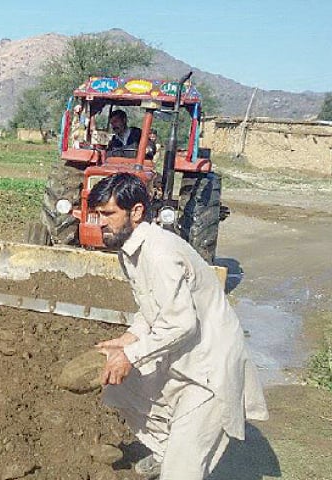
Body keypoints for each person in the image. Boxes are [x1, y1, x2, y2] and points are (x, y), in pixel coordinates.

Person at [88, 173, 268, 480]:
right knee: (121, 388)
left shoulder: (159, 253)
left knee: (181, 471)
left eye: (108, 214)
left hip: (208, 365)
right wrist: (129, 338)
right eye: (97, 214)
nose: (100, 222)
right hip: (182, 353)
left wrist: (131, 355)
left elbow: (182, 323)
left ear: (136, 212)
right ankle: (164, 450)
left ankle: (175, 461)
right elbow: (152, 308)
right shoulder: (130, 251)